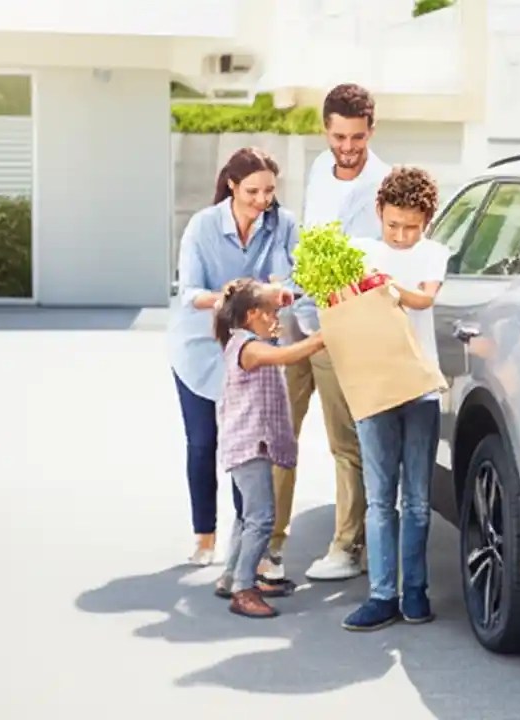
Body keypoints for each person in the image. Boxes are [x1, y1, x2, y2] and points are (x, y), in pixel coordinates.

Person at [268, 83, 393, 582]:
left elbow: (370, 258)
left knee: (345, 442)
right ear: (326, 130)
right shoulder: (321, 169)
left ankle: (347, 545)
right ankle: (269, 540)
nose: (347, 147)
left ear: (371, 130)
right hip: (297, 317)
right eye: (339, 136)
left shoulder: (382, 182)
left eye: (357, 138)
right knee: (280, 435)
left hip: (340, 324)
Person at [168, 148, 299, 566]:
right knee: (204, 444)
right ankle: (205, 538)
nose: (263, 200)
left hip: (250, 354)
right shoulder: (203, 227)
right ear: (231, 185)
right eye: (253, 191)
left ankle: (250, 549)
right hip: (200, 352)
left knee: (250, 449)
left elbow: (296, 278)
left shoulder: (282, 224)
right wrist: (233, 298)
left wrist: (285, 292)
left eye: (269, 191)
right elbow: (189, 293)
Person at [341, 166, 448, 631]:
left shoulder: (433, 254)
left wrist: (387, 287)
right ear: (378, 213)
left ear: (427, 220)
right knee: (379, 498)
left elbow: (424, 301)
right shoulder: (361, 252)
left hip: (420, 389)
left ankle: (416, 591)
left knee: (418, 500)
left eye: (412, 226)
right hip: (375, 387)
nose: (402, 235)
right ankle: (382, 594)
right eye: (393, 225)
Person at [210, 279, 326, 618]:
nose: (278, 318)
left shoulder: (246, 337)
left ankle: (231, 576)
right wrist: (323, 336)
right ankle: (244, 589)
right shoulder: (250, 347)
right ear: (251, 315)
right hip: (249, 444)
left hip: (245, 443)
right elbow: (287, 354)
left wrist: (290, 297)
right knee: (262, 519)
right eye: (272, 313)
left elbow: (276, 336)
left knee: (247, 516)